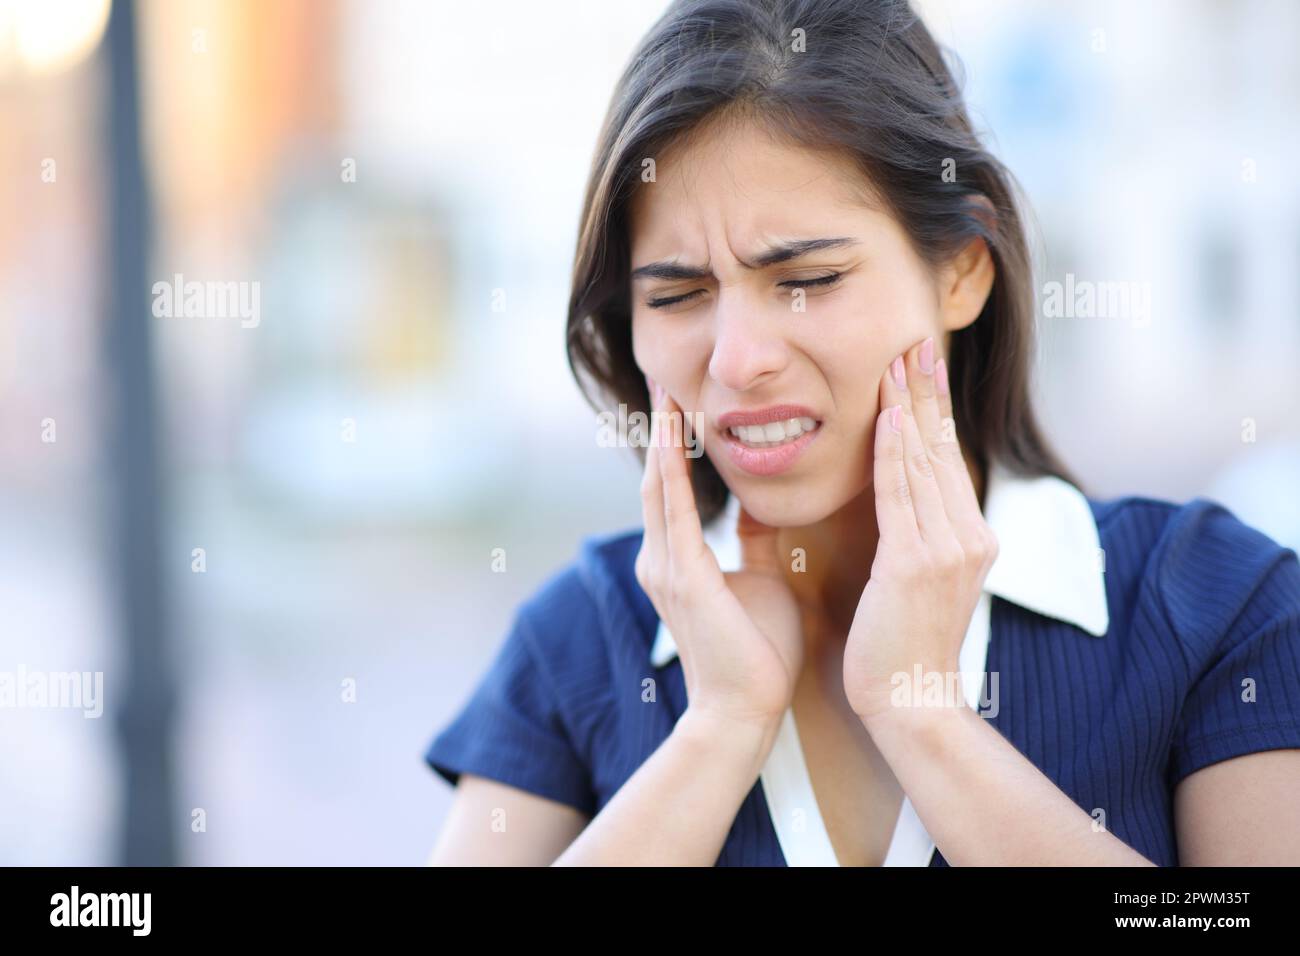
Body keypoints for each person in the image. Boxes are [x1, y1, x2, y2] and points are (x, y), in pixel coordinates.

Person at [423, 0, 1300, 866]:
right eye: (678, 296)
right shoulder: (580, 638)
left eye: (807, 278)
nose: (737, 360)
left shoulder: (1220, 608)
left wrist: (921, 716)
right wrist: (717, 729)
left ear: (961, 273)